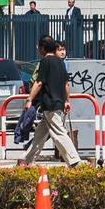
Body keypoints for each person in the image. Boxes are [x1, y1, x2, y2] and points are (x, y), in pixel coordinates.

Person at [23, 35, 82, 168]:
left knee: (59, 133)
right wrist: (67, 101)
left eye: (39, 47)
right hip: (57, 103)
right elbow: (66, 84)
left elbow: (39, 83)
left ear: (43, 48)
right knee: (39, 134)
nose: (38, 49)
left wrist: (29, 99)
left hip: (49, 103)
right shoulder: (60, 62)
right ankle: (27, 160)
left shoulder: (45, 62)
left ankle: (75, 161)